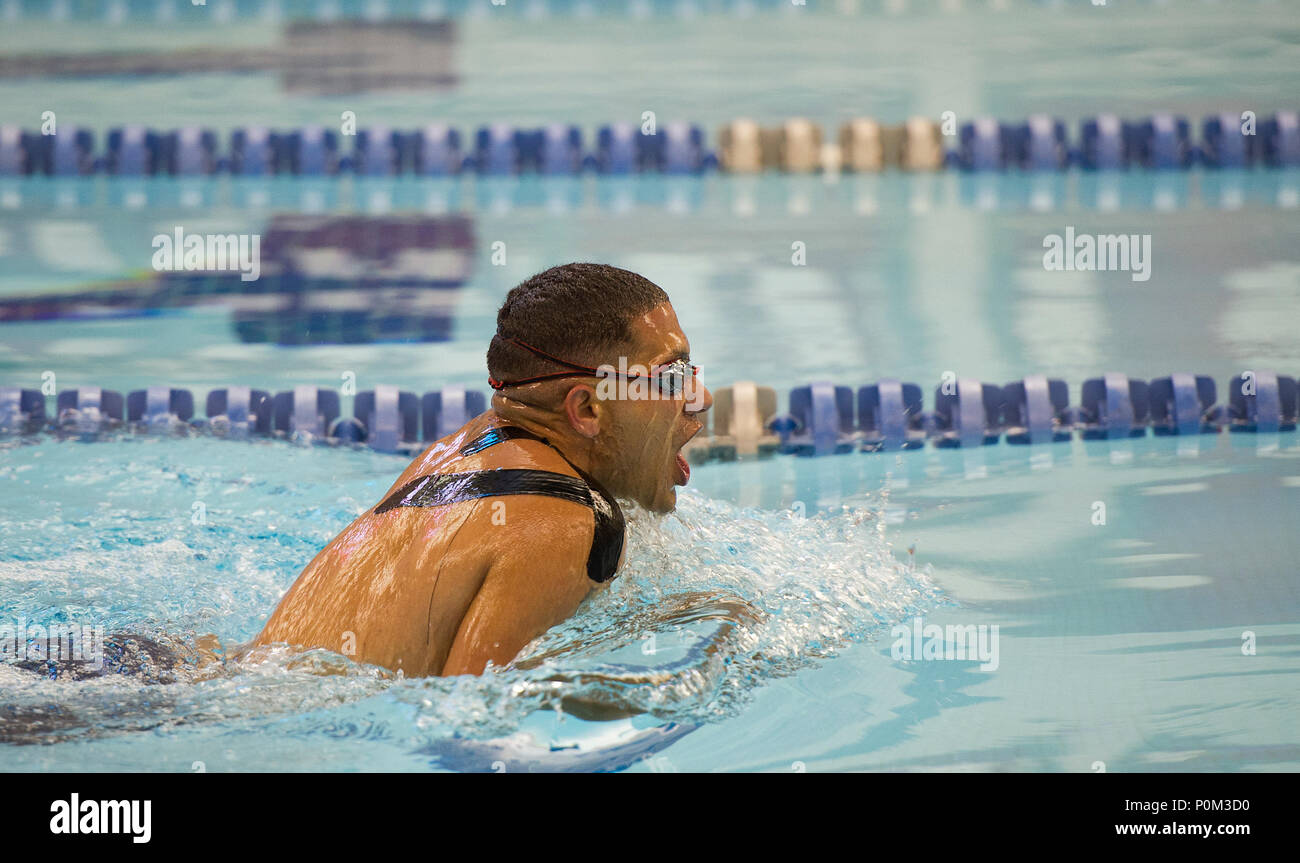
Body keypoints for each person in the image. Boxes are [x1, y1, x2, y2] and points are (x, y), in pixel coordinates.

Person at [252, 263, 712, 677]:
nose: (701, 397)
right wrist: (702, 659)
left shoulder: (465, 448)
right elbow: (470, 716)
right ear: (588, 409)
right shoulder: (558, 523)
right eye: (672, 375)